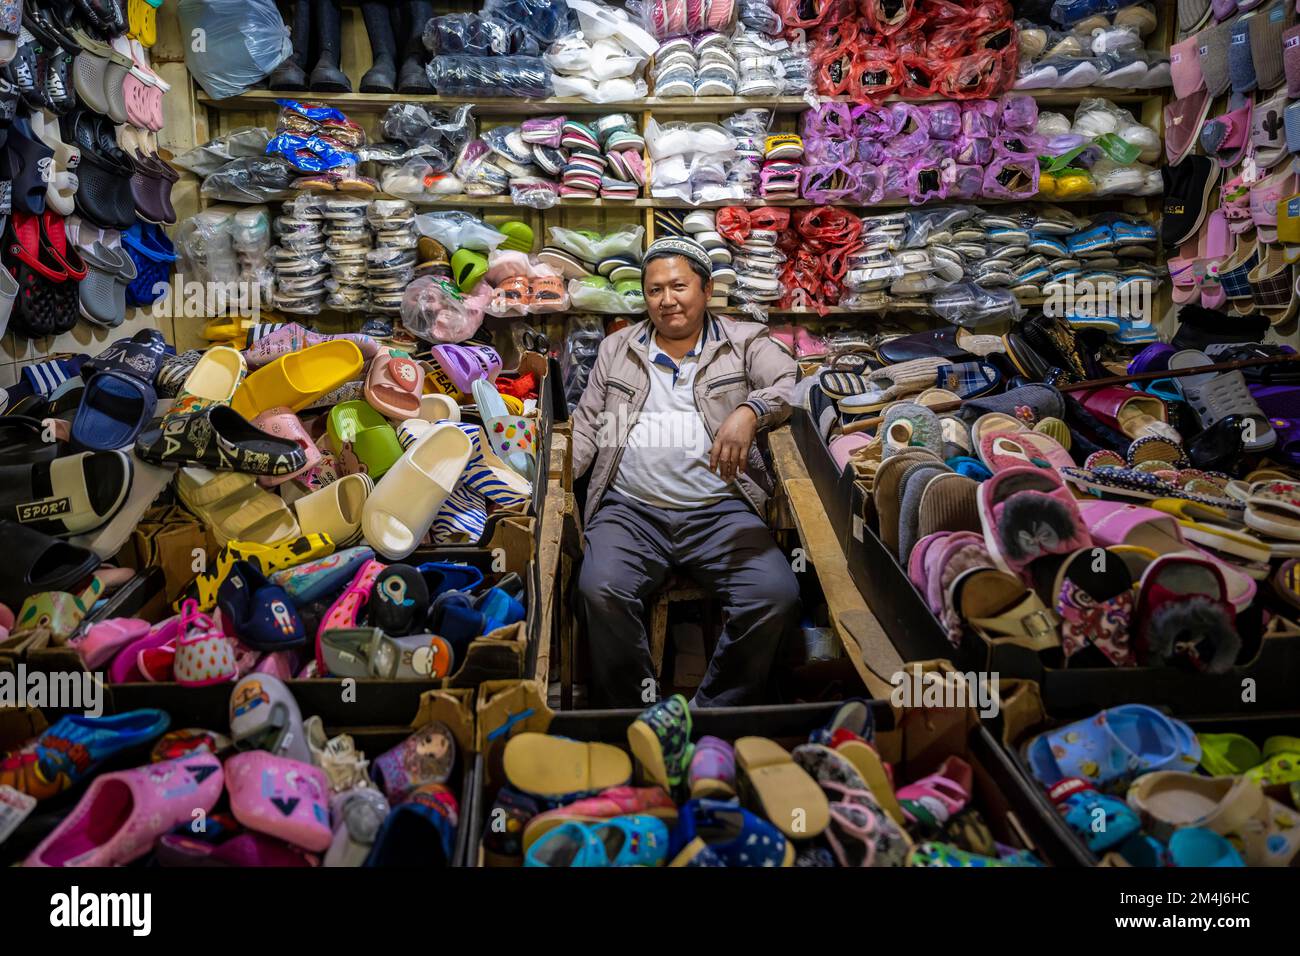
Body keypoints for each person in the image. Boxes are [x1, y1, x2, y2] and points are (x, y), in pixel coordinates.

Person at [570, 236, 800, 708]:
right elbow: (588, 426)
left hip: (720, 511)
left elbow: (792, 383)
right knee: (599, 591)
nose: (667, 299)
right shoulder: (618, 348)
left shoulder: (742, 343)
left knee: (775, 595)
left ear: (706, 289)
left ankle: (714, 711)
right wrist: (539, 479)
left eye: (679, 286)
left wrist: (750, 411)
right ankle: (639, 715)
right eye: (655, 290)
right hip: (630, 511)